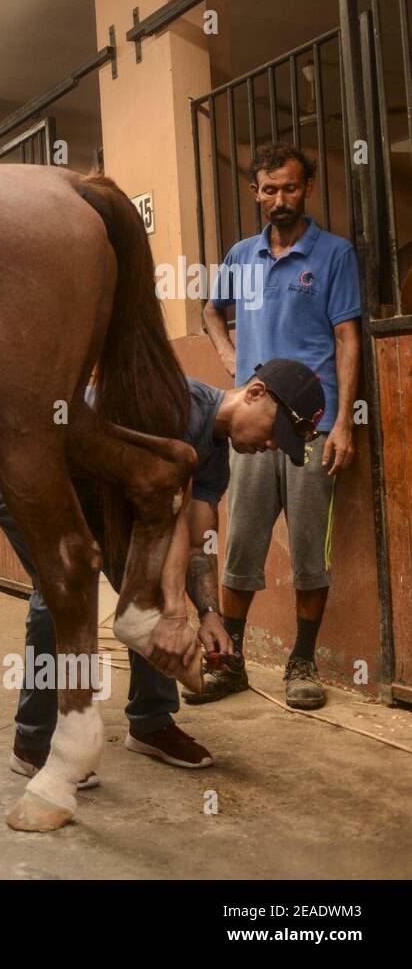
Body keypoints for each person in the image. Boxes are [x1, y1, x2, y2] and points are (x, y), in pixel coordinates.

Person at [0, 359, 322, 786]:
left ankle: (151, 723)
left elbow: (196, 540)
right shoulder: (172, 404)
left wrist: (209, 611)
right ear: (254, 393)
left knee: (149, 591)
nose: (270, 446)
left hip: (91, 488)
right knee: (65, 591)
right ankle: (33, 744)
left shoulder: (215, 459)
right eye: (274, 431)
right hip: (19, 461)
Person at [203, 143, 361, 710]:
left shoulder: (334, 255)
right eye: (269, 190)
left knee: (307, 551)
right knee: (241, 542)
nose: (279, 199)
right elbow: (211, 311)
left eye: (290, 188)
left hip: (312, 428)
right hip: (251, 424)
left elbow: (347, 337)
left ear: (307, 188)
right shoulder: (240, 255)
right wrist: (230, 361)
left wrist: (344, 421)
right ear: (255, 193)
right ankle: (231, 662)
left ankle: (302, 662)